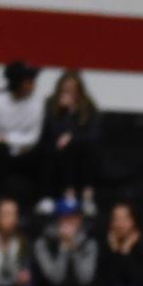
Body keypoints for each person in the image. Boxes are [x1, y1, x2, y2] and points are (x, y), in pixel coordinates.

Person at [38, 69, 102, 217]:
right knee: (58, 149)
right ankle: (59, 195)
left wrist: (72, 136)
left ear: (79, 91)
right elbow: (52, 133)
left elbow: (93, 135)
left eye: (72, 90)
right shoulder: (51, 104)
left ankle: (87, 197)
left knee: (87, 148)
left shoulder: (89, 106)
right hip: (57, 152)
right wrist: (65, 113)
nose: (69, 94)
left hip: (83, 151)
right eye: (65, 90)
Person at [0, 61, 43, 199]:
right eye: (28, 81)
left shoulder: (37, 104)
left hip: (26, 154)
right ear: (16, 83)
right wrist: (13, 142)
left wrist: (6, 139)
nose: (33, 85)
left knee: (46, 151)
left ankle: (44, 200)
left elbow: (33, 137)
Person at [32, 198, 99, 286]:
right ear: (56, 220)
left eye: (74, 217)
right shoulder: (43, 242)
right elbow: (55, 278)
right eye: (65, 218)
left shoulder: (90, 242)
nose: (70, 223)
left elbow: (85, 278)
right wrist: (63, 248)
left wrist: (74, 248)